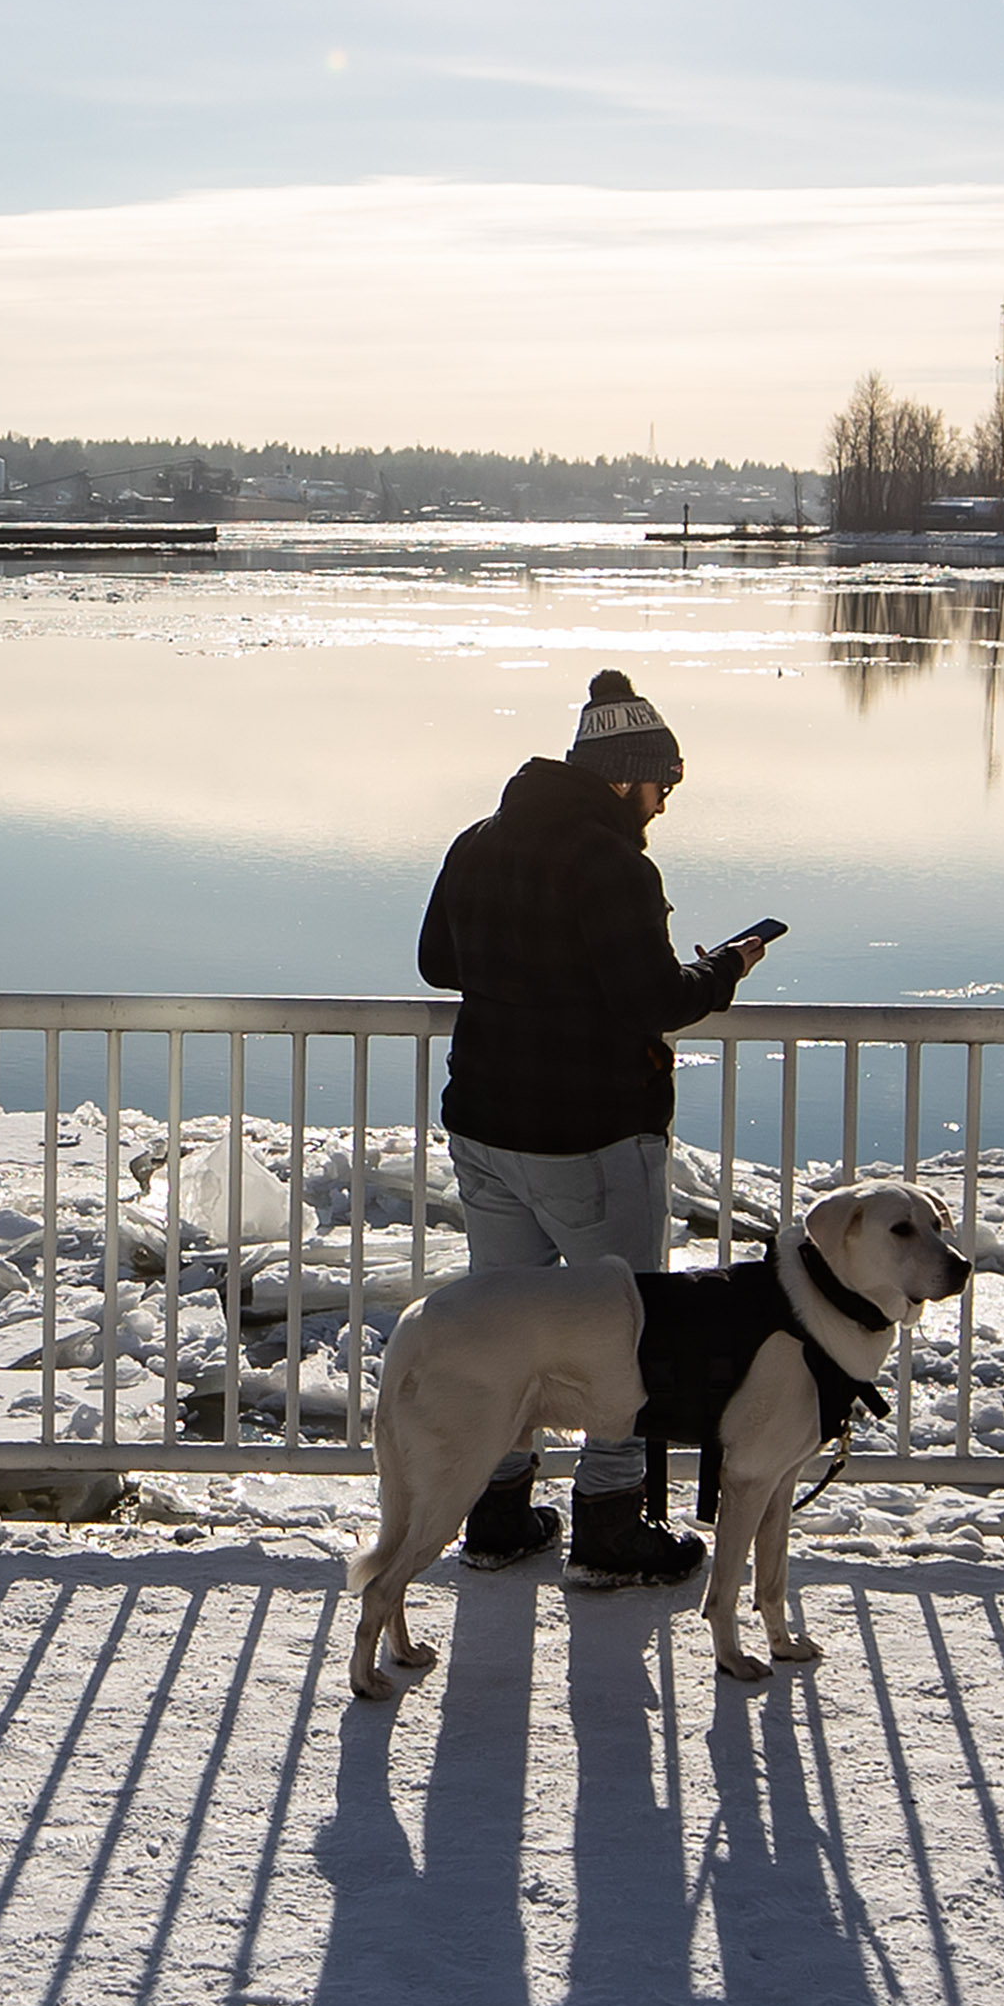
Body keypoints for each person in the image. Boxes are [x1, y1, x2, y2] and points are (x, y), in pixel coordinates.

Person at [416, 668, 782, 1581]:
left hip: (486, 1128)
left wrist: (526, 973)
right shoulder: (614, 863)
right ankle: (612, 1529)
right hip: (591, 1135)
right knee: (622, 1331)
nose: (663, 806)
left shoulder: (479, 841)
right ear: (626, 775)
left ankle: (497, 1517)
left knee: (502, 1325)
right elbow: (650, 998)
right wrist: (726, 967)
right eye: (664, 785)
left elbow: (435, 963)